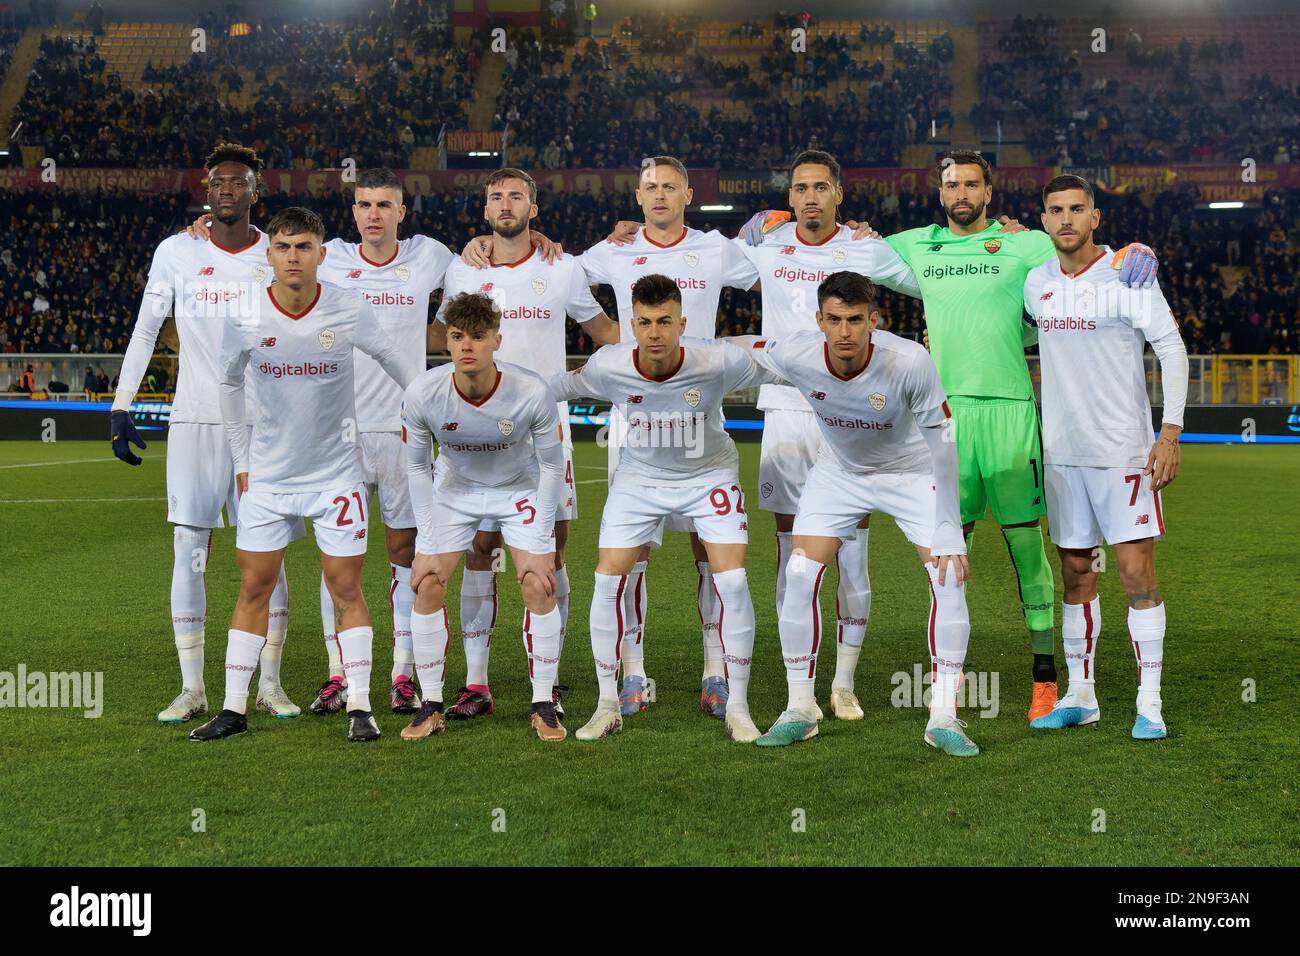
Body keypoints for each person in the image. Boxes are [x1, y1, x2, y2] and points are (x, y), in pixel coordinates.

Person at [875, 150, 1160, 724]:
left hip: (1010, 413)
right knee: (948, 556)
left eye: (971, 183)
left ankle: (1047, 680)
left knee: (1028, 549)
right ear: (939, 193)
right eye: (951, 183)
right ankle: (947, 687)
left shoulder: (1026, 243)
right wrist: (772, 228)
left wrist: (1139, 250)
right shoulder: (914, 244)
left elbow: (1092, 253)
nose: (961, 192)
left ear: (988, 192)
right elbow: (841, 248)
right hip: (945, 419)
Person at [190, 206, 415, 743]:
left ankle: (360, 706)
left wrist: (430, 408)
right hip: (268, 479)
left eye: (305, 247)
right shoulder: (246, 314)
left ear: (321, 253)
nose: (294, 257)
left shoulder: (346, 307)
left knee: (345, 586)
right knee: (253, 586)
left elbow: (393, 359)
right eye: (284, 248)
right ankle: (233, 709)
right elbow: (227, 385)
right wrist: (243, 462)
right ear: (269, 255)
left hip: (338, 476)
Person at [736, 271, 975, 754]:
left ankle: (944, 717)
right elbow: (741, 348)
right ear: (819, 320)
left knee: (948, 575)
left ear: (874, 320)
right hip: (840, 472)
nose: (845, 332)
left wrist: (949, 525)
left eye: (855, 321)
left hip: (910, 473)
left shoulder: (908, 361)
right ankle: (800, 708)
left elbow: (944, 441)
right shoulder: (798, 352)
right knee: (799, 573)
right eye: (835, 320)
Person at [558, 155, 760, 721]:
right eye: (649, 187)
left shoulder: (718, 248)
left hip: (702, 419)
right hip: (637, 419)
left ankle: (715, 671)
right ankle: (633, 674)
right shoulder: (612, 251)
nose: (660, 195)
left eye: (670, 186)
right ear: (638, 196)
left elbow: (786, 266)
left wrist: (843, 234)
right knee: (631, 557)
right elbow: (556, 276)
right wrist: (606, 335)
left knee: (710, 552)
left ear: (688, 194)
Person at [111, 142, 298, 726]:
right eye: (218, 181)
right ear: (206, 189)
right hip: (193, 419)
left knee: (267, 557)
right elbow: (146, 331)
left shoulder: (279, 252)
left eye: (238, 182)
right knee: (189, 550)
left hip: (262, 426)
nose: (226, 189)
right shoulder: (176, 251)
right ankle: (192, 687)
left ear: (255, 192)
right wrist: (122, 405)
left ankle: (268, 683)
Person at [734, 149, 923, 720]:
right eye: (800, 188)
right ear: (788, 197)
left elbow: (932, 282)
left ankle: (843, 681)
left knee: (852, 547)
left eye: (821, 187)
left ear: (838, 195)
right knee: (792, 548)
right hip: (788, 409)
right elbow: (690, 258)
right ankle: (800, 680)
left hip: (851, 413)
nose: (810, 197)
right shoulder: (764, 244)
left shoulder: (866, 247)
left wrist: (1002, 237)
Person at [550, 274, 778, 743]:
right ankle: (607, 704)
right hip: (641, 479)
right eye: (646, 322)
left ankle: (737, 705)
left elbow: (782, 364)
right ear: (632, 324)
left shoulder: (716, 360)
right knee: (607, 578)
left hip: (708, 474)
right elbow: (557, 387)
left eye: (665, 322)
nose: (655, 333)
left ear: (682, 323)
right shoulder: (609, 365)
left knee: (731, 580)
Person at [434, 167, 618, 721]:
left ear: (533, 209)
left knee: (551, 554)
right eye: (496, 196)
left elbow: (605, 333)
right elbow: (447, 342)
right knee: (477, 552)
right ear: (486, 208)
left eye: (517, 196)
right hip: (473, 436)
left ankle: (549, 678)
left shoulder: (562, 268)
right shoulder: (459, 269)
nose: (506, 203)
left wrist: (653, 357)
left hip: (543, 434)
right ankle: (476, 682)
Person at [1024, 174, 1188, 740]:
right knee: (1075, 574)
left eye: (1077, 209)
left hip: (1123, 453)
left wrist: (1169, 433)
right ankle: (1081, 695)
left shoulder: (1127, 275)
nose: (1066, 219)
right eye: (1055, 210)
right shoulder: (1035, 283)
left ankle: (1150, 703)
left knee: (1136, 573)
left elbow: (1171, 345)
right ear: (1043, 220)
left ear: (1096, 217)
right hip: (1063, 455)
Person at [400, 292, 568, 742]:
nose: (467, 346)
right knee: (428, 580)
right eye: (458, 337)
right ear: (447, 341)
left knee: (537, 581)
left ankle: (543, 704)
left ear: (497, 340)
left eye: (478, 336)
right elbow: (417, 467)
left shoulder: (531, 391)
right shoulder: (423, 393)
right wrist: (424, 546)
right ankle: (431, 705)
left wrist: (542, 543)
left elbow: (552, 466)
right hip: (455, 491)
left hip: (519, 488)